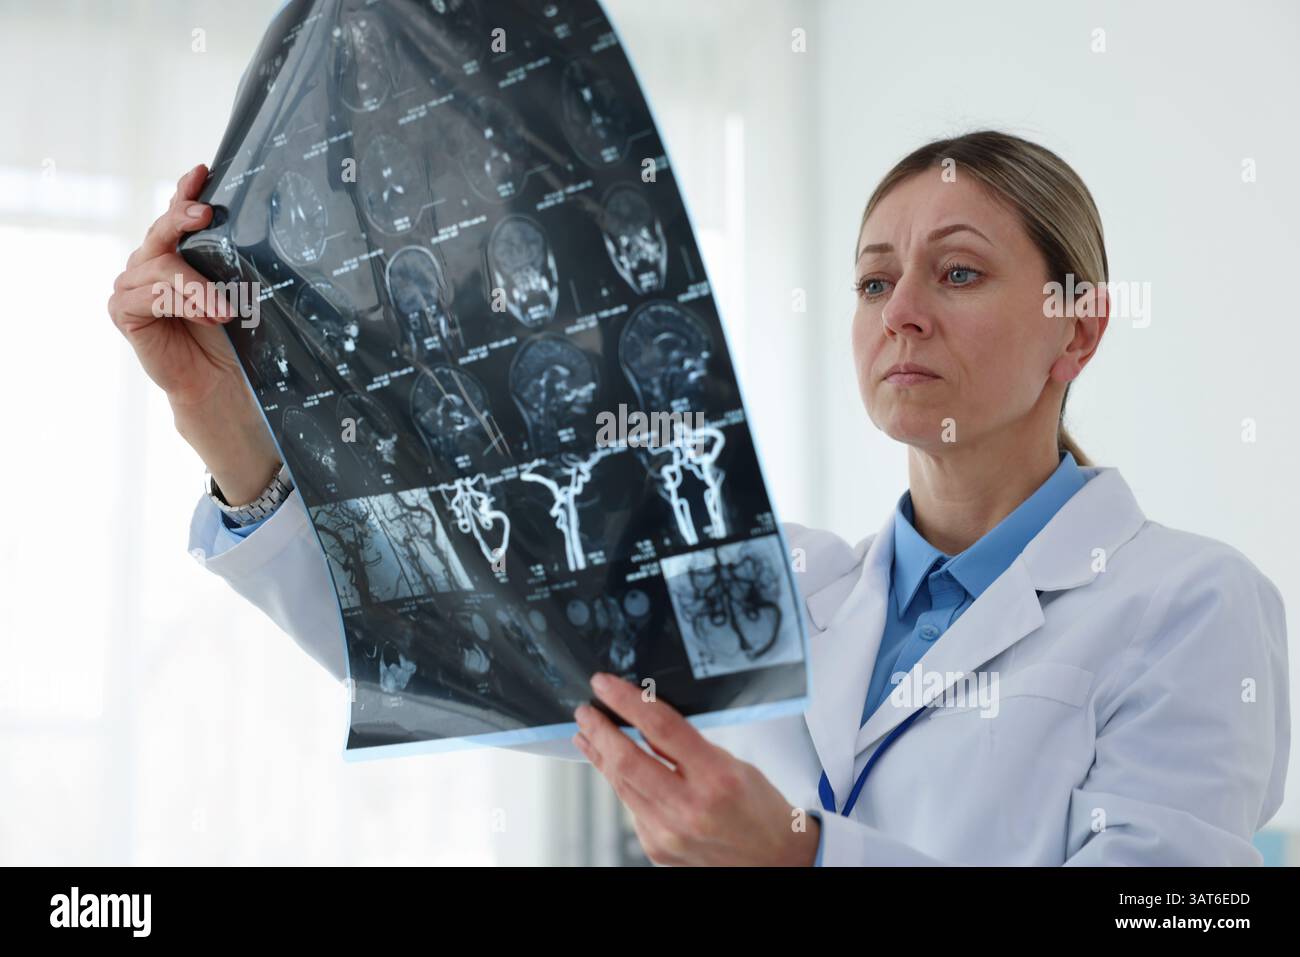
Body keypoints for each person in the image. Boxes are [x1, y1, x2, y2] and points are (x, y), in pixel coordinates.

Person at [107, 130, 1289, 866]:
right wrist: (216, 414)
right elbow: (445, 646)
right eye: (873, 279)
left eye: (959, 271)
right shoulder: (782, 582)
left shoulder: (1188, 604)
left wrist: (802, 861)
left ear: (1075, 328)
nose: (899, 312)